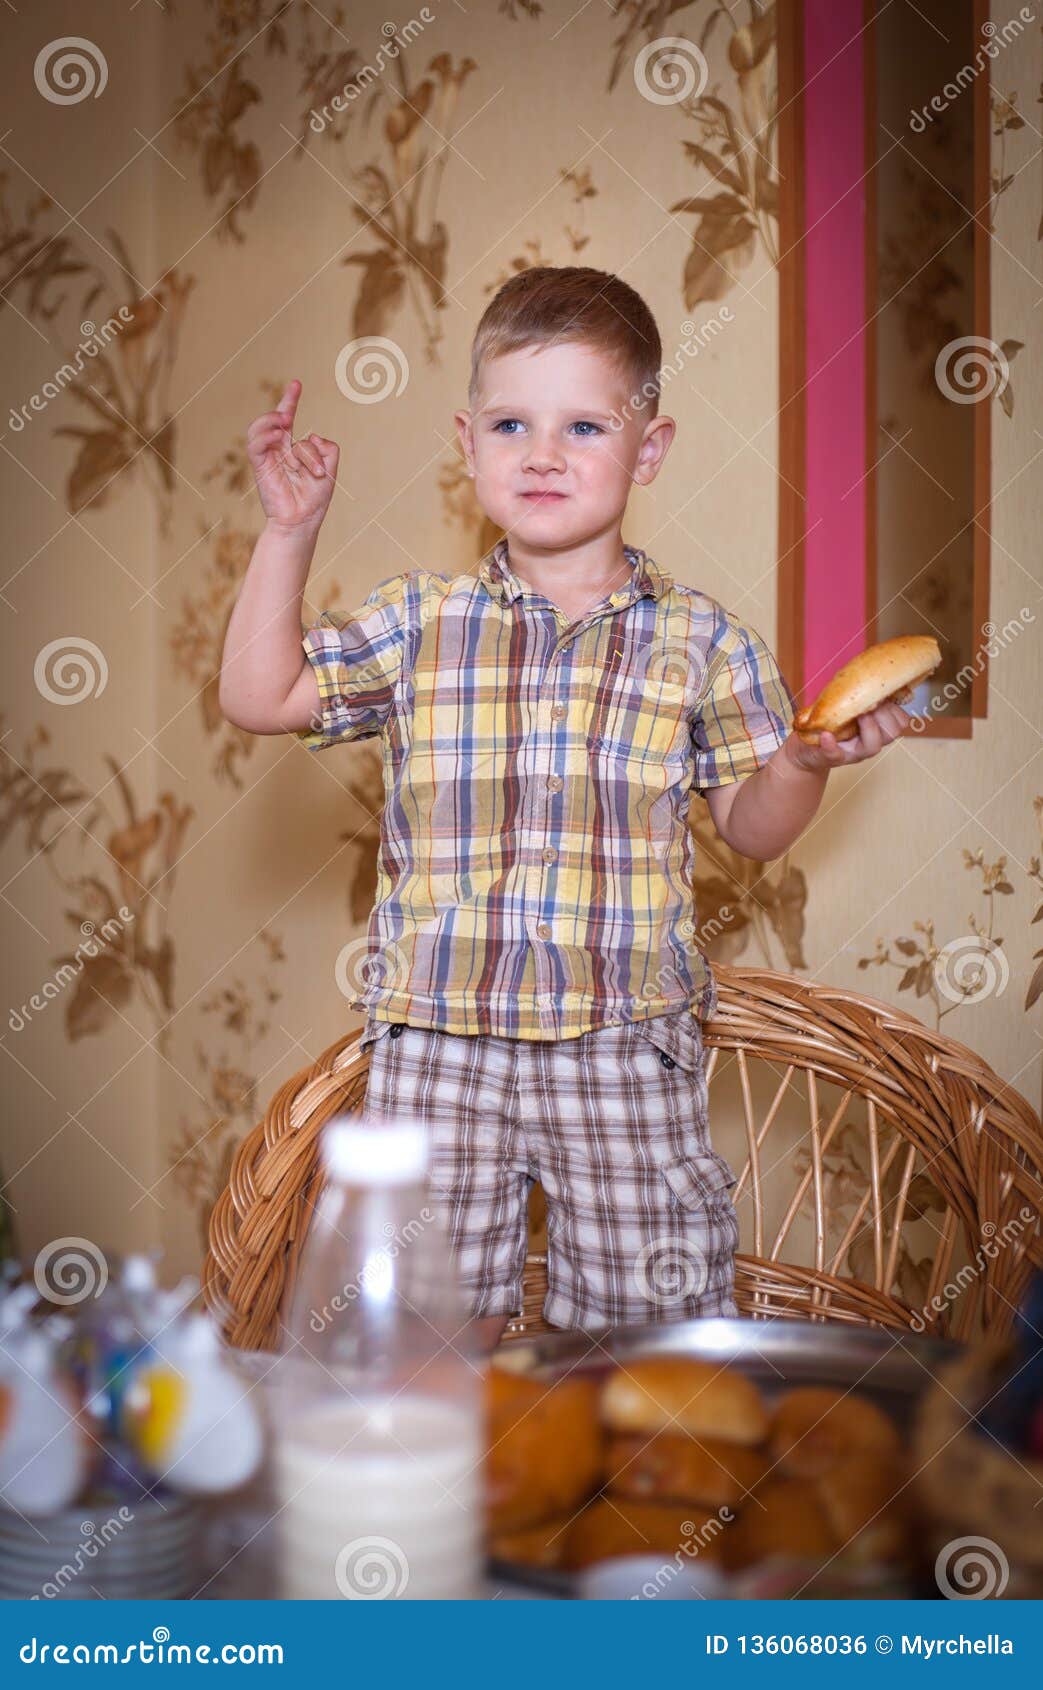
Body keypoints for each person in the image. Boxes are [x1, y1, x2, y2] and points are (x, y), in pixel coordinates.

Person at [219, 266, 911, 1355]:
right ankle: (448, 1517)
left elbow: (751, 826)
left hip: (624, 1039)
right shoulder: (418, 620)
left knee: (650, 1337)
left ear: (647, 449)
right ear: (468, 443)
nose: (541, 453)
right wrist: (288, 534)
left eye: (582, 424)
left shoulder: (701, 641)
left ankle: (628, 1519)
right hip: (441, 1039)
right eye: (510, 423)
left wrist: (806, 760)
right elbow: (258, 696)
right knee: (428, 1333)